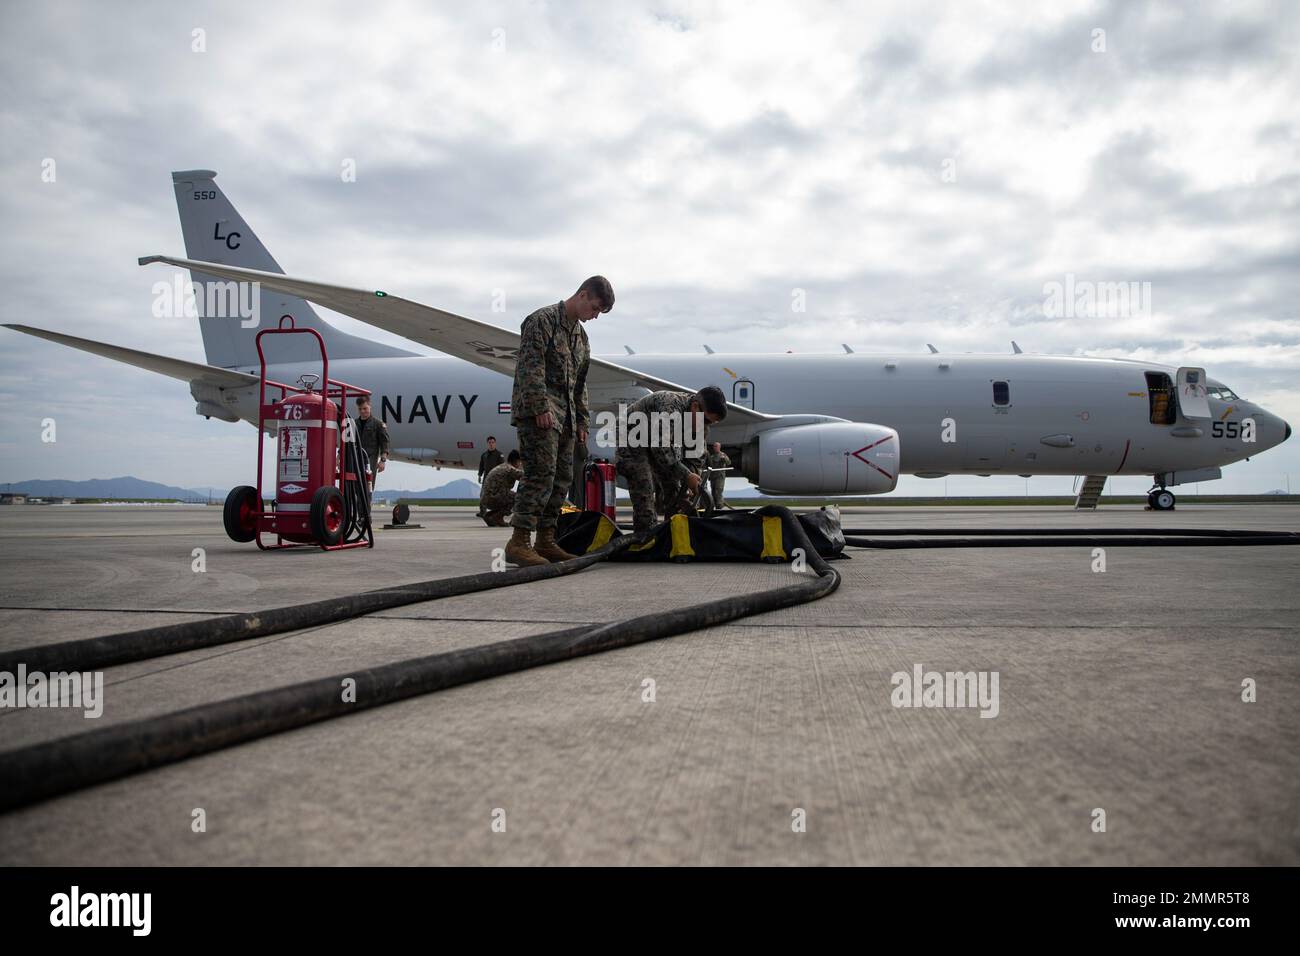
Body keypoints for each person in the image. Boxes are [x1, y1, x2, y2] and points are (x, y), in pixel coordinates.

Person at [506, 276, 614, 566]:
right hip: (539, 415)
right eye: (594, 308)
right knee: (539, 475)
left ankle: (545, 540)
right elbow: (530, 368)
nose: (594, 316)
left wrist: (581, 423)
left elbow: (580, 385)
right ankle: (518, 542)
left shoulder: (581, 337)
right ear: (582, 295)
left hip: (565, 419)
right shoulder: (541, 321)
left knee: (561, 479)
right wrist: (540, 407)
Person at [615, 386, 727, 537]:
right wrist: (687, 476)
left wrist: (691, 483)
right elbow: (661, 449)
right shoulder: (670, 408)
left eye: (711, 423)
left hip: (657, 442)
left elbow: (694, 459)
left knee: (676, 491)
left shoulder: (700, 425)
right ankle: (645, 539)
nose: (706, 425)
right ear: (695, 406)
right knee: (644, 486)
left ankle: (675, 537)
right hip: (631, 435)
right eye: (706, 419)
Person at [353, 395, 389, 490]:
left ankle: (366, 505)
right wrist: (338, 458)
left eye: (365, 408)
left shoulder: (378, 424)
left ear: (370, 406)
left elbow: (384, 444)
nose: (362, 411)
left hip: (370, 461)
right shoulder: (354, 424)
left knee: (367, 488)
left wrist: (382, 461)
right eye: (360, 409)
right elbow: (347, 441)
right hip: (355, 460)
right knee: (353, 488)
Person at [479, 450, 523, 526]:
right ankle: (498, 517)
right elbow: (525, 477)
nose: (520, 464)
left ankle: (490, 516)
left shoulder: (502, 466)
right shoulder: (510, 469)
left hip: (486, 499)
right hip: (493, 498)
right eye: (520, 462)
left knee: (509, 494)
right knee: (519, 497)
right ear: (516, 461)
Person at [476, 436, 505, 517]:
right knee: (483, 495)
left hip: (496, 479)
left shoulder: (500, 455)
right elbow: (481, 466)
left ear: (495, 444)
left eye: (493, 442)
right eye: (489, 443)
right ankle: (482, 512)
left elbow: (503, 467)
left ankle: (497, 512)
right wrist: (479, 475)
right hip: (486, 478)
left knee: (496, 496)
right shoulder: (484, 455)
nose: (491, 444)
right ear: (487, 444)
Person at [705, 441, 731, 509]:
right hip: (713, 477)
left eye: (716, 446)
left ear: (719, 447)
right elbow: (709, 466)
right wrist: (709, 476)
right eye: (714, 446)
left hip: (720, 477)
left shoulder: (723, 455)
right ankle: (715, 506)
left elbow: (728, 463)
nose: (714, 447)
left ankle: (719, 506)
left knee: (718, 492)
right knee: (713, 492)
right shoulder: (712, 457)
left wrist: (724, 459)